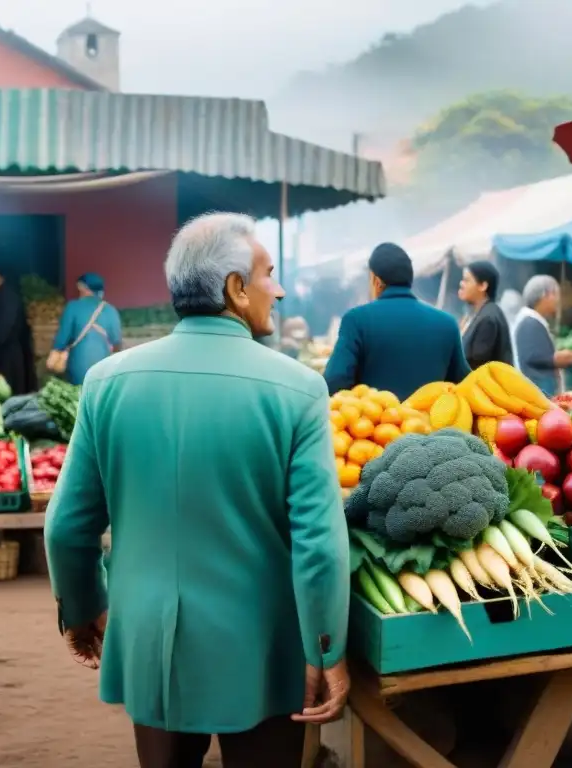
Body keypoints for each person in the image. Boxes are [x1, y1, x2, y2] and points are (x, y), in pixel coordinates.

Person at [44, 213, 351, 768]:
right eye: (268, 274)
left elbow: (67, 525)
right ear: (235, 289)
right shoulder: (298, 389)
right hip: (261, 647)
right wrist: (326, 648)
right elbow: (319, 546)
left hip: (146, 639)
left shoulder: (107, 383)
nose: (277, 289)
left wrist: (86, 604)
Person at [324, 243, 471, 401]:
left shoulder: (356, 319)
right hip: (434, 423)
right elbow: (465, 383)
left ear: (376, 280)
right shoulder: (447, 323)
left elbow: (334, 382)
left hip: (376, 424)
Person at [48, 273, 122, 385]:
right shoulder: (111, 310)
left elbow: (62, 339)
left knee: (79, 396)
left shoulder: (72, 307)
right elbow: (117, 342)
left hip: (78, 366)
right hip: (103, 367)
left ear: (81, 286)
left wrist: (54, 355)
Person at [513, 275, 572, 397]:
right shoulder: (529, 323)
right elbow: (531, 357)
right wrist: (556, 359)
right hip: (538, 395)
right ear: (545, 295)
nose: (557, 300)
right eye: (555, 294)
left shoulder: (534, 321)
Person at [0, 270, 35, 395]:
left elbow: (7, 324)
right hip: (4, 348)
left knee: (11, 384)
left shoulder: (8, 297)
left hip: (9, 350)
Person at [458, 261, 514, 369]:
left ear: (483, 286)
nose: (461, 284)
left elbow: (476, 365)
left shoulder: (488, 319)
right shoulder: (479, 314)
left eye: (466, 280)